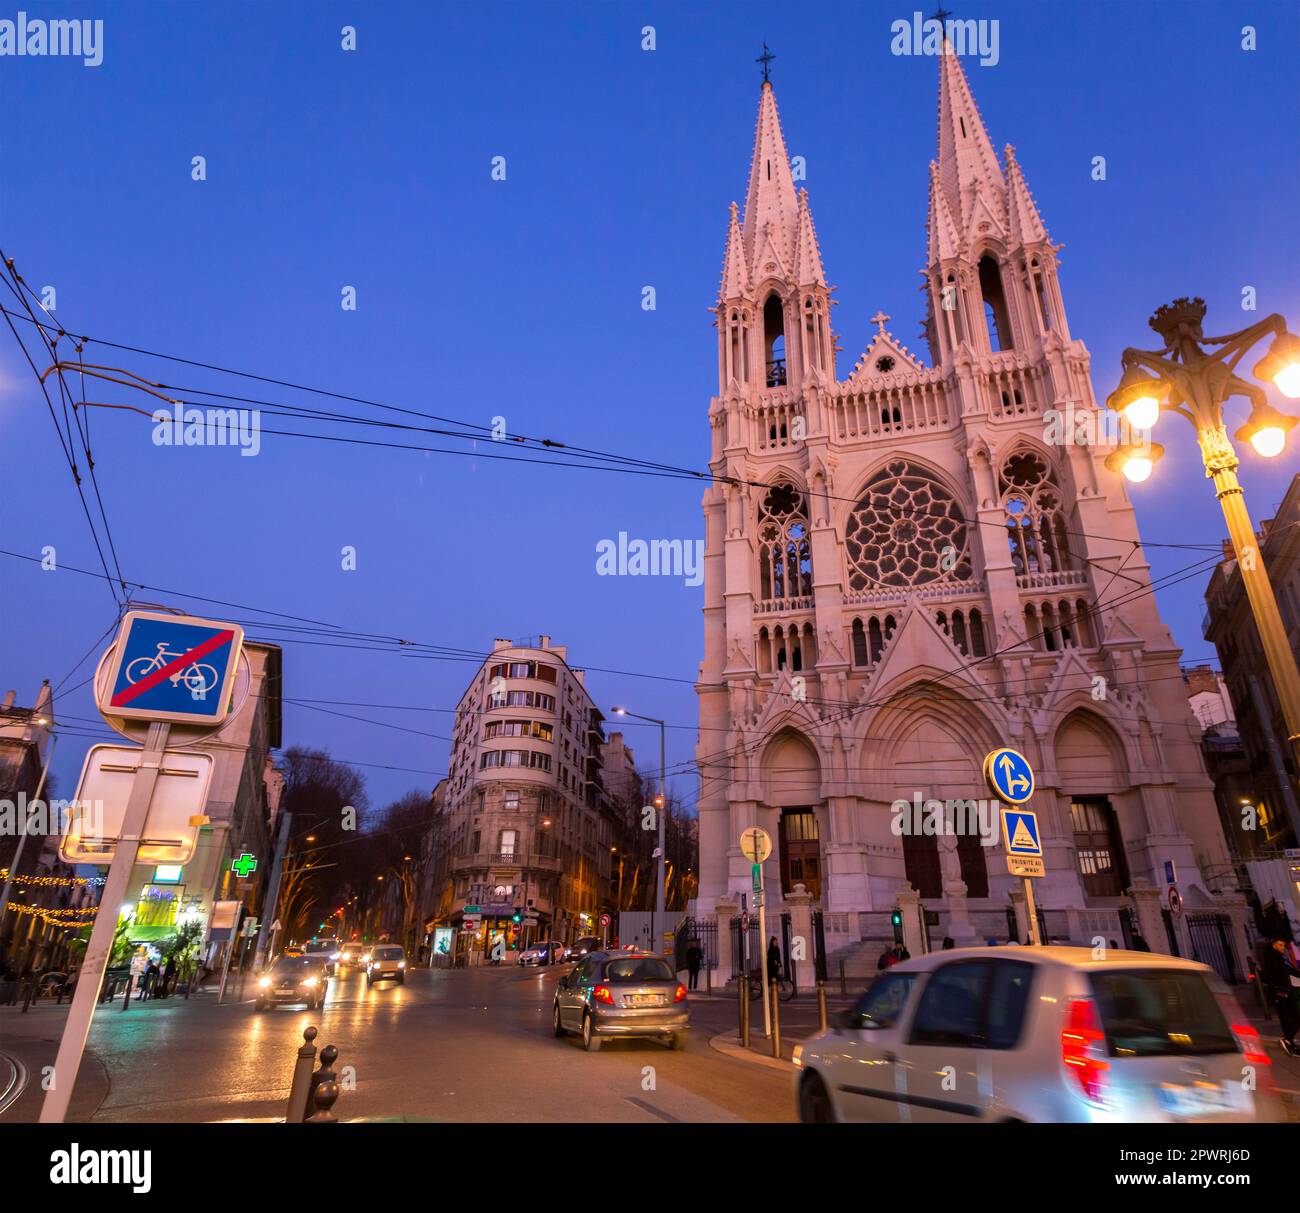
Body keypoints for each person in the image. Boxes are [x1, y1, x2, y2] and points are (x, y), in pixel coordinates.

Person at [1261, 938, 1300, 1056]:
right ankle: (1288, 1040)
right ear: (1274, 945)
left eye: (1283, 945)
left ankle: (1290, 1044)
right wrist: (1275, 992)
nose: (1282, 947)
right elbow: (1268, 978)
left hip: (1286, 992)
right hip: (1280, 994)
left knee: (1292, 1018)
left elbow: (1291, 971)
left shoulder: (1279, 958)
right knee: (1291, 1018)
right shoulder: (1271, 960)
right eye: (1280, 945)